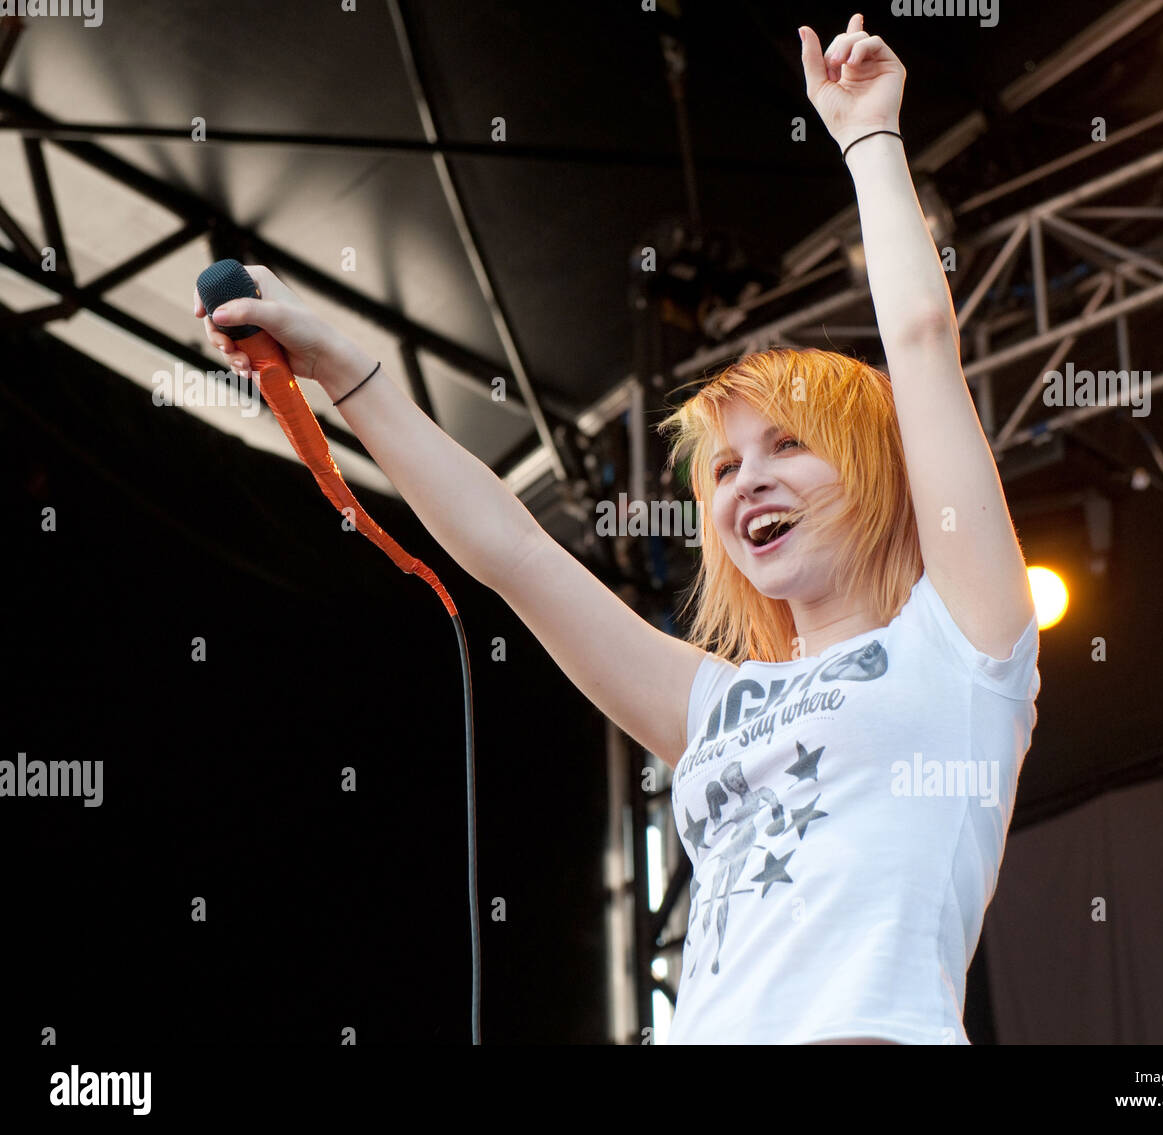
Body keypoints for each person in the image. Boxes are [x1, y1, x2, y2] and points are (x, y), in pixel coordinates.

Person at [193, 12, 1039, 1045]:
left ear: (876, 473)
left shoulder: (960, 643)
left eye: (786, 446)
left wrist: (868, 139)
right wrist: (335, 363)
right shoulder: (716, 704)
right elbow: (514, 552)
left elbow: (920, 340)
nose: (748, 482)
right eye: (723, 468)